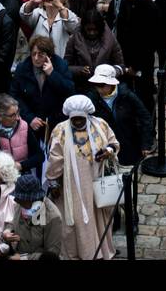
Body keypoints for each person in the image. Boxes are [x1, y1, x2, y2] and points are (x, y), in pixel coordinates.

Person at [44, 96, 121, 260]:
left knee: (101, 216)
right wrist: (53, 182)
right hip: (71, 186)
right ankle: (82, 253)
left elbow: (114, 143)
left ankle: (102, 249)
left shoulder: (100, 125)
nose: (78, 122)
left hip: (97, 182)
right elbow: (54, 159)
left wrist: (108, 151)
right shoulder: (60, 131)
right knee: (77, 221)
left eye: (81, 119)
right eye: (75, 119)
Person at [111, 0, 164, 111]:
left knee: (145, 96)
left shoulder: (149, 7)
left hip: (143, 61)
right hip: (121, 58)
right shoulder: (116, 4)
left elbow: (153, 40)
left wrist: (136, 65)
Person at [83, 65, 154, 167]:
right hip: (103, 148)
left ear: (111, 83)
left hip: (128, 146)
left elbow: (145, 117)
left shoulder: (127, 95)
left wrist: (146, 144)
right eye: (96, 84)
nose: (98, 88)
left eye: (101, 84)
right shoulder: (90, 98)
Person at [10, 36, 75, 137]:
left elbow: (69, 91)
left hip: (56, 122)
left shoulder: (60, 65)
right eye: (33, 54)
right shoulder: (22, 68)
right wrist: (29, 118)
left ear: (49, 56)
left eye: (40, 55)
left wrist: (52, 74)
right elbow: (15, 95)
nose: (36, 58)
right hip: (31, 121)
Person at [0, 94, 44, 179]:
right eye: (12, 115)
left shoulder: (24, 127)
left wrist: (20, 166)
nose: (18, 118)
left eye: (18, 112)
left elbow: (39, 156)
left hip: (21, 179)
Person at [4, 174, 63, 259]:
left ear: (32, 199)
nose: (16, 200)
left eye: (20, 199)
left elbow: (52, 254)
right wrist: (7, 231)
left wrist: (23, 258)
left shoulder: (53, 217)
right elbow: (13, 221)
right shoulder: (21, 203)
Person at [65, 9, 126, 87]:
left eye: (95, 30)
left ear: (100, 28)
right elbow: (66, 66)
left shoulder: (110, 39)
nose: (92, 33)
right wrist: (79, 70)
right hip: (82, 85)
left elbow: (121, 66)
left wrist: (108, 72)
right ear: (83, 28)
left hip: (105, 86)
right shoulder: (74, 39)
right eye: (89, 30)